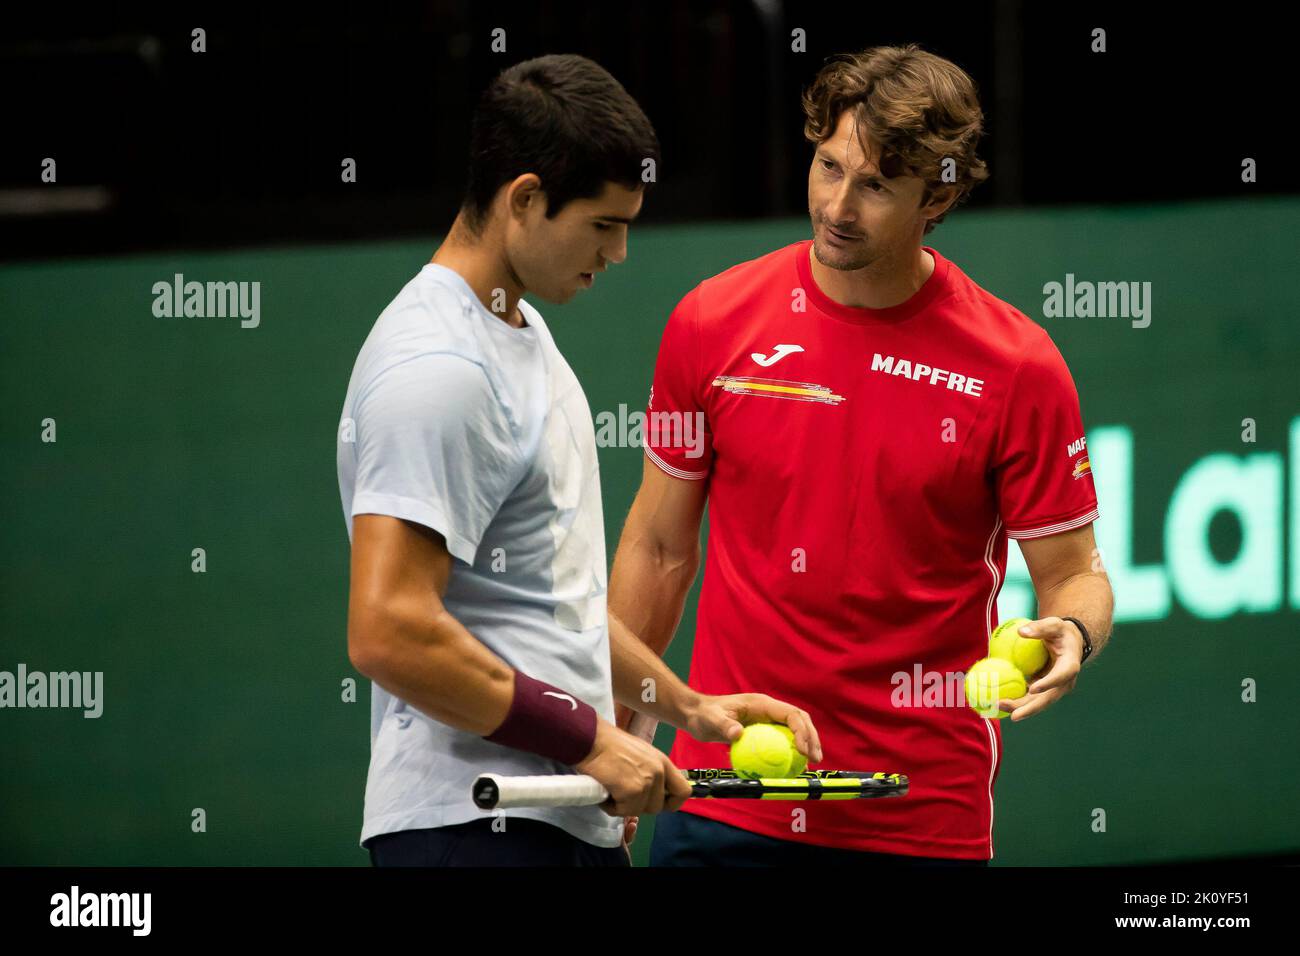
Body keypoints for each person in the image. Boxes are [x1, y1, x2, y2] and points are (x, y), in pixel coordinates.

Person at [609, 43, 1114, 866]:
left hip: (920, 817)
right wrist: (616, 722)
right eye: (829, 165)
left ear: (938, 193)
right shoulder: (709, 323)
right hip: (729, 799)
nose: (839, 204)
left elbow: (1074, 574)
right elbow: (660, 548)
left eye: (876, 184)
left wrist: (1073, 631)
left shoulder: (1018, 365)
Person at [337, 53, 821, 867]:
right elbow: (388, 630)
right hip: (474, 829)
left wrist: (689, 708)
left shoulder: (519, 336)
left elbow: (545, 608)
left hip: (547, 821)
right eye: (604, 224)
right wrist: (590, 740)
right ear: (524, 199)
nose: (622, 252)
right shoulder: (440, 367)